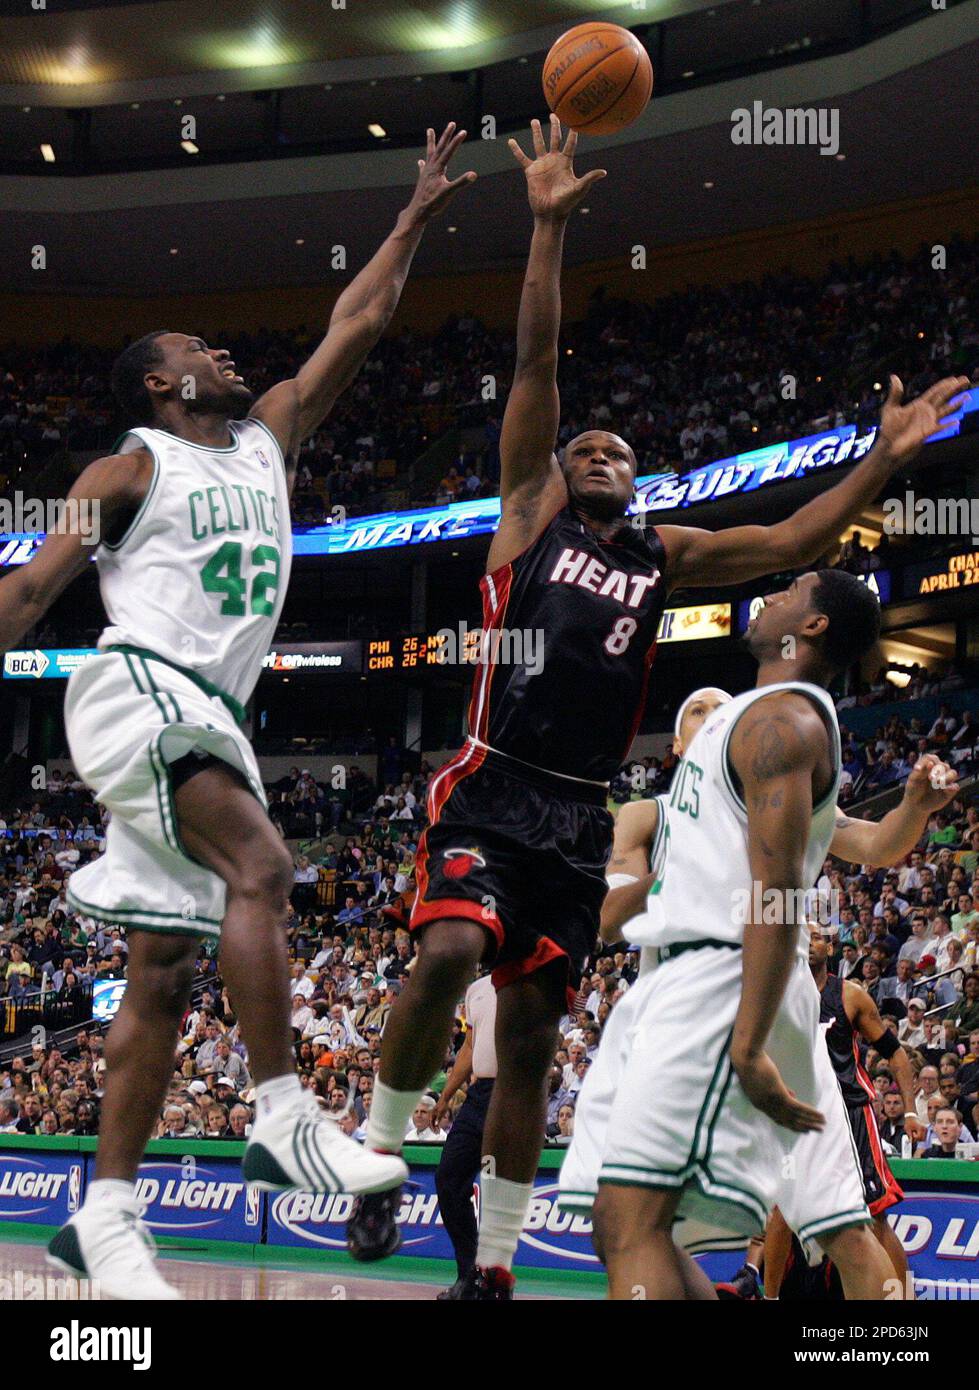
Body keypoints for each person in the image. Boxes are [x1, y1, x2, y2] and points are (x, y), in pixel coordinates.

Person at [344, 111, 969, 1294]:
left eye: (618, 450)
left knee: (527, 1040)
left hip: (577, 817)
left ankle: (488, 1265)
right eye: (584, 444)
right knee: (450, 949)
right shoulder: (523, 518)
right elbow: (535, 366)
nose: (599, 451)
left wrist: (884, 459)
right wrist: (543, 229)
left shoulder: (661, 555)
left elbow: (790, 534)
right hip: (492, 779)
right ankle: (377, 1147)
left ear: (640, 481)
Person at [0, 124, 476, 1301]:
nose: (218, 348)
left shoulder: (265, 439)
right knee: (263, 868)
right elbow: (27, 588)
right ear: (161, 383)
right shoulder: (128, 470)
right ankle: (278, 1114)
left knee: (161, 968)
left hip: (209, 709)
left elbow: (354, 326)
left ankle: (106, 1217)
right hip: (136, 689)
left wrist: (412, 218)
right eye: (193, 347)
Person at [562, 570, 918, 1299]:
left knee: (629, 1223)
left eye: (794, 589)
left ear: (812, 627)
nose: (773, 594)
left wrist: (747, 1041)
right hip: (743, 985)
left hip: (725, 983)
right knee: (834, 1226)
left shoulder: (773, 729)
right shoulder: (694, 778)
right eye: (695, 710)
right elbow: (610, 916)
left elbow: (792, 885)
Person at [762, 925, 929, 1300]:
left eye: (818, 935)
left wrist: (911, 1113)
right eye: (804, 934)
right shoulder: (779, 996)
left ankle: (902, 1299)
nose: (810, 940)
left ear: (831, 946)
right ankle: (770, 1297)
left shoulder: (851, 995)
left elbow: (896, 1055)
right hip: (800, 1115)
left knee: (874, 1215)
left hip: (852, 1113)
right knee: (782, 1212)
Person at [433, 973, 497, 1299]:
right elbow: (470, 1046)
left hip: (514, 1093)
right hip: (478, 1094)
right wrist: (445, 1096)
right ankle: (468, 1275)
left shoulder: (533, 978)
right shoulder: (477, 989)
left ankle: (495, 1284)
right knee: (448, 1179)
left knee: (499, 1193)